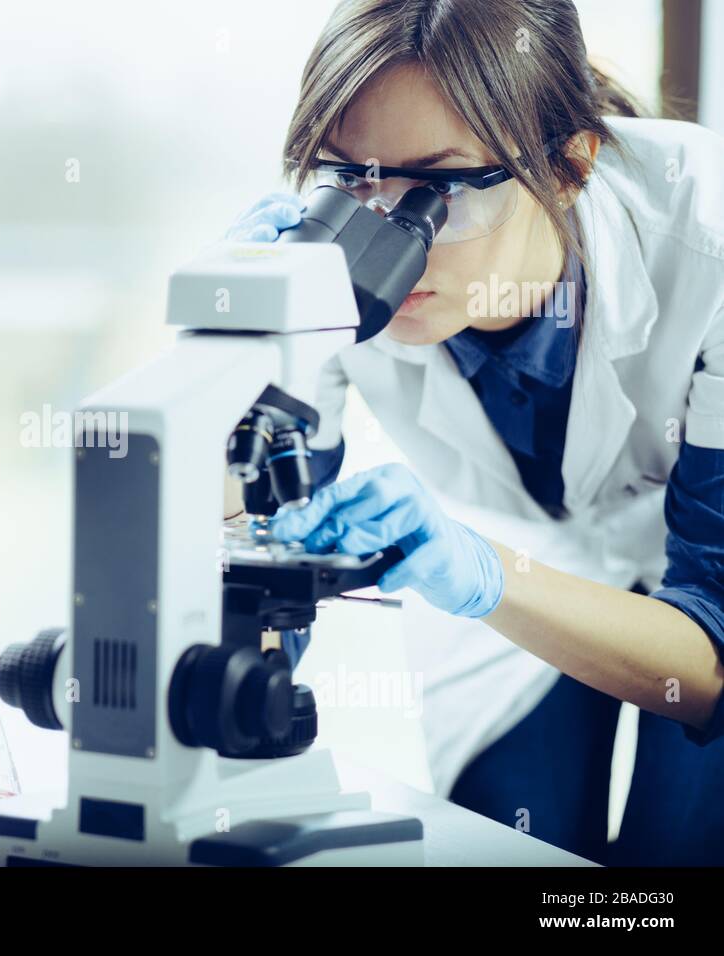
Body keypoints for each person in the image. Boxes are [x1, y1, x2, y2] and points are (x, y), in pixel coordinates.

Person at [225, 0, 724, 865]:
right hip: (520, 557)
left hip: (681, 590)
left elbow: (711, 647)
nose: (382, 236)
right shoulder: (316, 264)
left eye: (438, 193)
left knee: (669, 860)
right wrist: (236, 350)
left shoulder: (709, 244)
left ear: (569, 167)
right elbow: (256, 530)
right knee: (518, 852)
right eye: (351, 178)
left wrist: (483, 573)